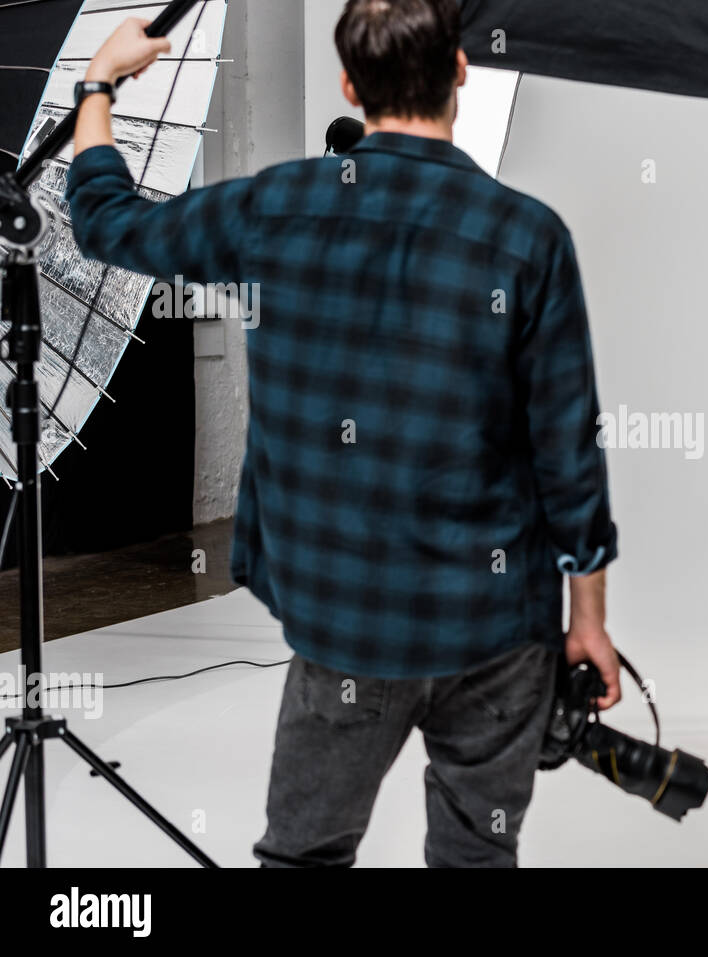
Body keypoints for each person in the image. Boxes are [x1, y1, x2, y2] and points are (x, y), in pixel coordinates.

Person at [65, 0, 622, 865]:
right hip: (499, 625)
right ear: (462, 73)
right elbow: (569, 445)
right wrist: (587, 616)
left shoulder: (273, 207)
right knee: (480, 858)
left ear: (350, 85)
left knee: (303, 857)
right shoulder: (527, 234)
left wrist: (99, 82)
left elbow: (106, 223)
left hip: (346, 623)